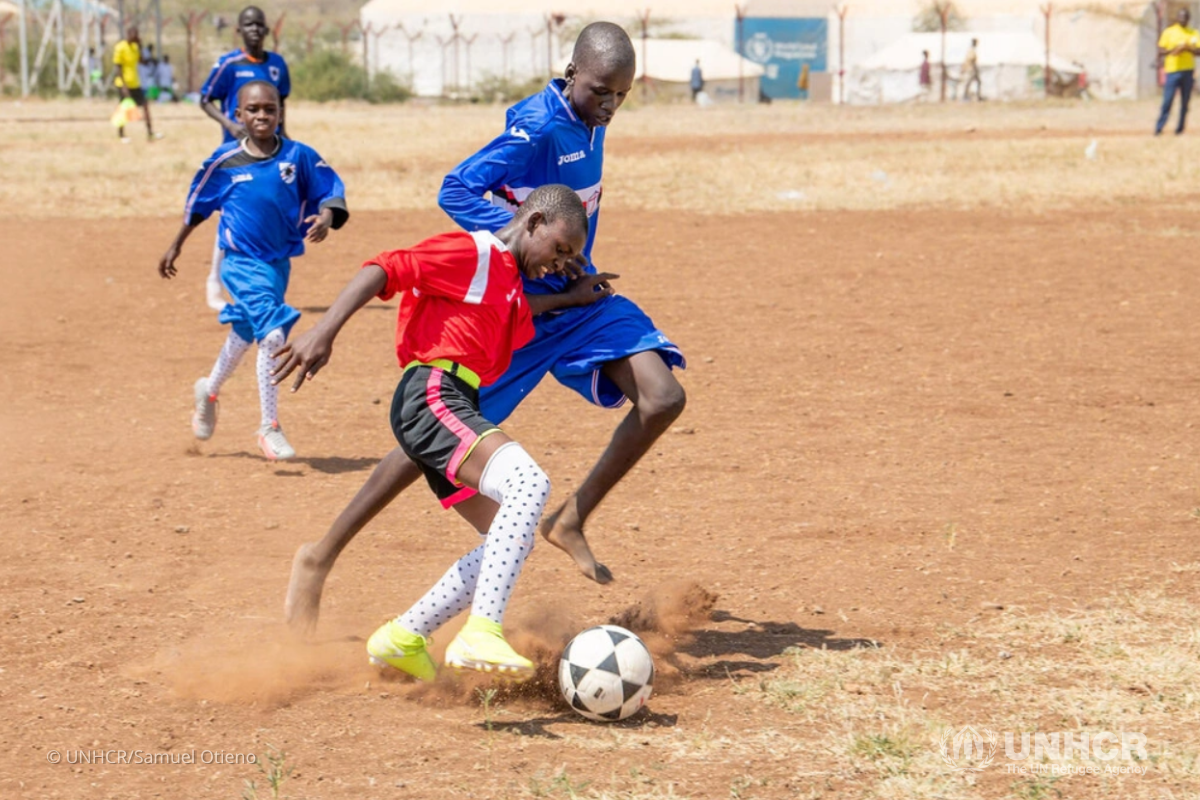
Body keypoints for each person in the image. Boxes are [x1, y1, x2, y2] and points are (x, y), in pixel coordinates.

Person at [284, 21, 687, 632]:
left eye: (621, 96)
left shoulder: (588, 121)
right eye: (601, 90)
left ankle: (571, 517)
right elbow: (457, 187)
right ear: (572, 73)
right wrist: (522, 231)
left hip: (573, 301)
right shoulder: (538, 125)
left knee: (663, 397)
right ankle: (320, 556)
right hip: (514, 310)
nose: (610, 106)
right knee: (430, 437)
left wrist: (566, 269)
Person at [272, 185, 593, 680]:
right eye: (560, 249)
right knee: (529, 484)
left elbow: (512, 305)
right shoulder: (476, 251)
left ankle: (404, 635)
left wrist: (570, 294)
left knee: (512, 535)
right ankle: (482, 629)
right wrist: (324, 330)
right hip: (432, 391)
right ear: (533, 224)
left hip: (456, 398)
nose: (560, 261)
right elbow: (386, 266)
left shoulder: (506, 278)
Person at [157, 81, 348, 461]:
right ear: (239, 116)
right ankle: (269, 426)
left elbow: (330, 190)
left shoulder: (298, 156)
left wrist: (326, 217)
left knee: (246, 331)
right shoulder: (225, 161)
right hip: (240, 263)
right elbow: (198, 206)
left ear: (280, 113)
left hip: (277, 264)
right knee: (274, 335)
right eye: (254, 110)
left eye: (270, 109)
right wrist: (176, 243)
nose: (262, 116)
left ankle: (208, 391)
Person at [200, 5, 292, 313]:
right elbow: (205, 99)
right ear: (239, 30)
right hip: (237, 151)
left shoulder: (277, 65)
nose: (254, 29)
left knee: (263, 211)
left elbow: (281, 105)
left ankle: (260, 284)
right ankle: (214, 279)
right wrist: (229, 125)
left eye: (259, 25)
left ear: (266, 30)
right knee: (231, 211)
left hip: (272, 150)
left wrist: (286, 136)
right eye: (248, 25)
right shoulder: (229, 64)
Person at [112, 26, 160, 141]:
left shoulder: (135, 47)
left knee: (145, 106)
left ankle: (150, 133)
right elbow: (118, 67)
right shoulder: (120, 47)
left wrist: (141, 47)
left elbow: (141, 61)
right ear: (129, 34)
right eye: (135, 35)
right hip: (124, 84)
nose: (136, 37)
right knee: (124, 109)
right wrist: (123, 86)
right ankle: (121, 135)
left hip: (135, 83)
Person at [1156, 9, 1198, 136]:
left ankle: (1180, 129)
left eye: (1185, 17)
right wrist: (1174, 50)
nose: (1182, 19)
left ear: (1188, 19)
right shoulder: (1169, 32)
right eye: (1180, 17)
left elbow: (1198, 51)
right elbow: (1161, 51)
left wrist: (1187, 48)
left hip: (1188, 71)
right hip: (1173, 71)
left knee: (1185, 102)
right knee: (1167, 101)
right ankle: (1159, 128)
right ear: (1177, 18)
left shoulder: (1193, 33)